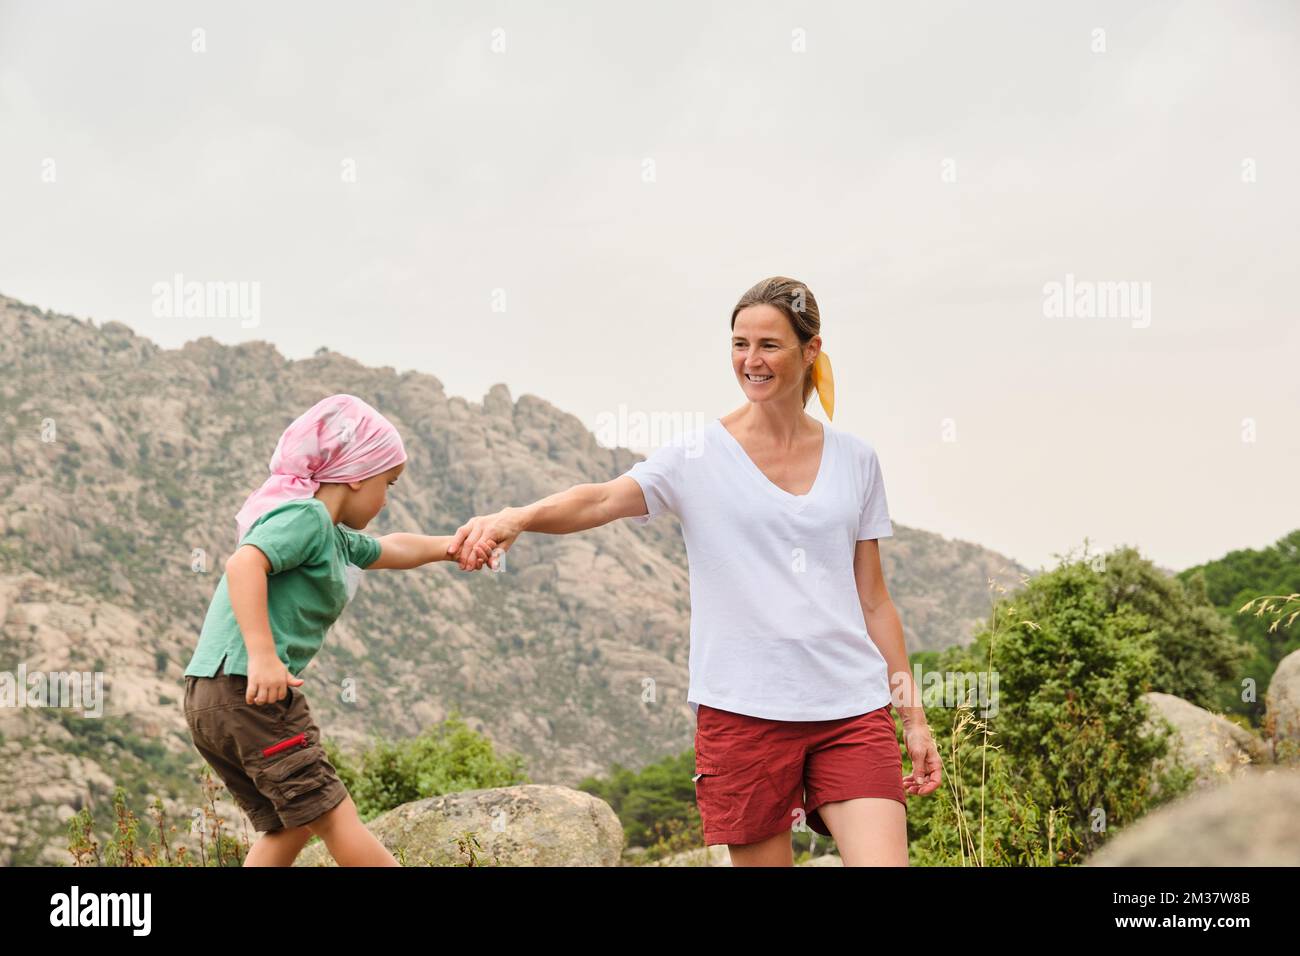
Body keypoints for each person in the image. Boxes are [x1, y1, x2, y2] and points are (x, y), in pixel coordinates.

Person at [450, 276, 943, 866]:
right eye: (739, 344)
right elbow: (603, 499)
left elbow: (875, 602)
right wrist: (519, 516)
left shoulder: (856, 460)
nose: (751, 361)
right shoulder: (696, 457)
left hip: (850, 708)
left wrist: (913, 718)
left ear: (811, 350)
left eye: (769, 345)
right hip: (743, 713)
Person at [182, 393, 467, 866]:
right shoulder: (307, 517)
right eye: (388, 483)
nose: (386, 498)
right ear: (356, 476)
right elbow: (244, 564)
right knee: (336, 818)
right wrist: (263, 656)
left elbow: (391, 548)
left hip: (211, 696)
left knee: (289, 822)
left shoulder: (330, 535)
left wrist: (454, 547)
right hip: (250, 691)